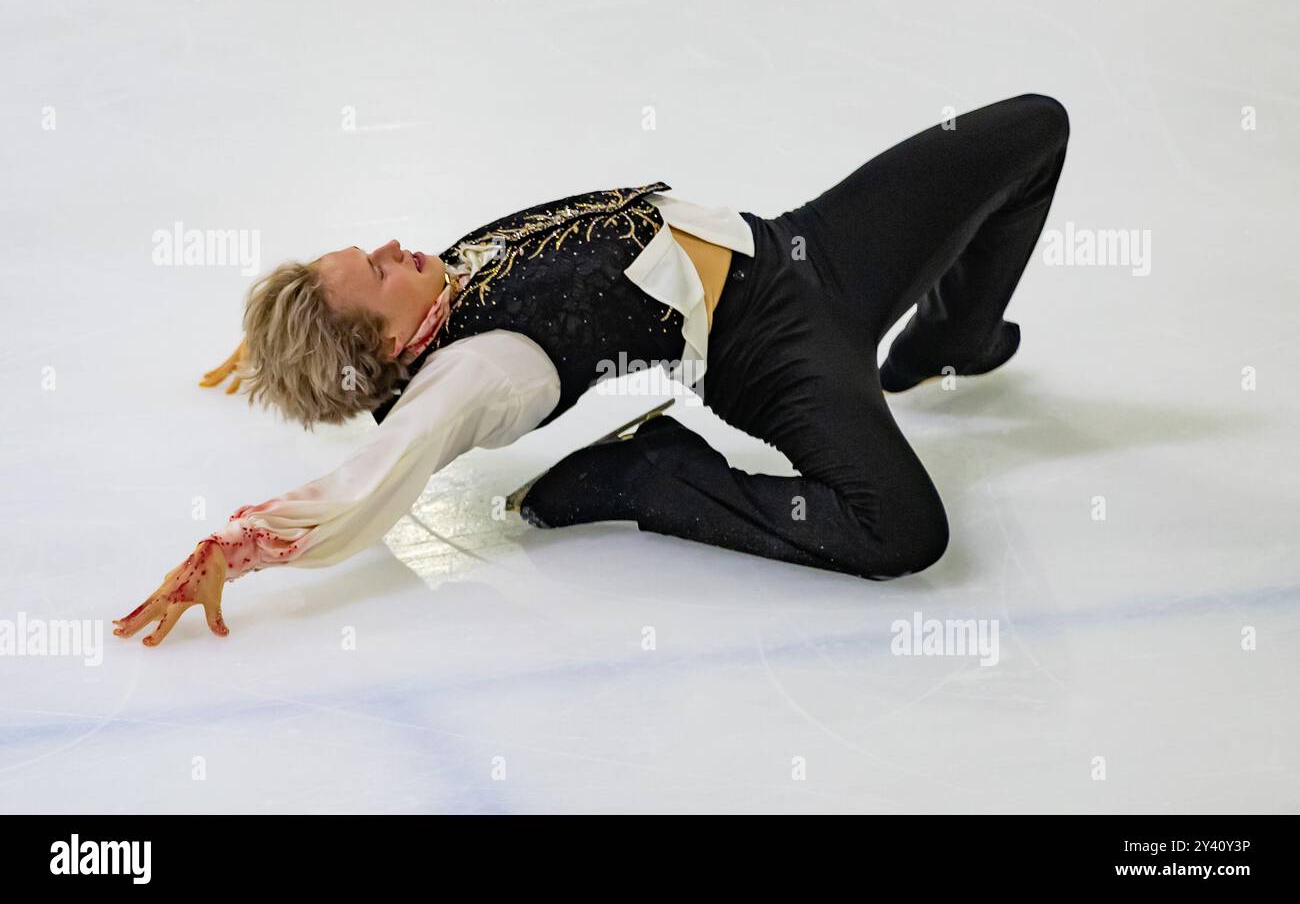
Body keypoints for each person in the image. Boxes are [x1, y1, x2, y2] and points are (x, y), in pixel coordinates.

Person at [114, 93, 1069, 647]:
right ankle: (651, 471)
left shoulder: (428, 292)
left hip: (806, 247)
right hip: (776, 355)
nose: (394, 245)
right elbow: (376, 477)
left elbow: (339, 341)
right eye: (374, 271)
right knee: (902, 532)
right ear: (388, 347)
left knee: (1035, 128)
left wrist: (275, 343)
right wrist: (236, 551)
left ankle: (951, 338)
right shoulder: (486, 371)